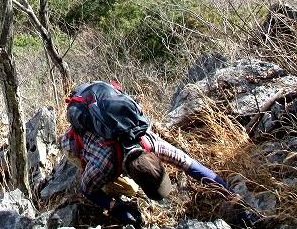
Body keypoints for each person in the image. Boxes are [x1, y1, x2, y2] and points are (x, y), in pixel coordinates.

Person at [61, 82, 232, 224]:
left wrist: (227, 191)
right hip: (74, 141)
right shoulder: (104, 166)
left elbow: (188, 164)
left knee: (126, 187)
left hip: (92, 94)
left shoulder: (148, 140)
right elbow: (87, 190)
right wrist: (116, 207)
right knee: (127, 189)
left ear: (154, 156)